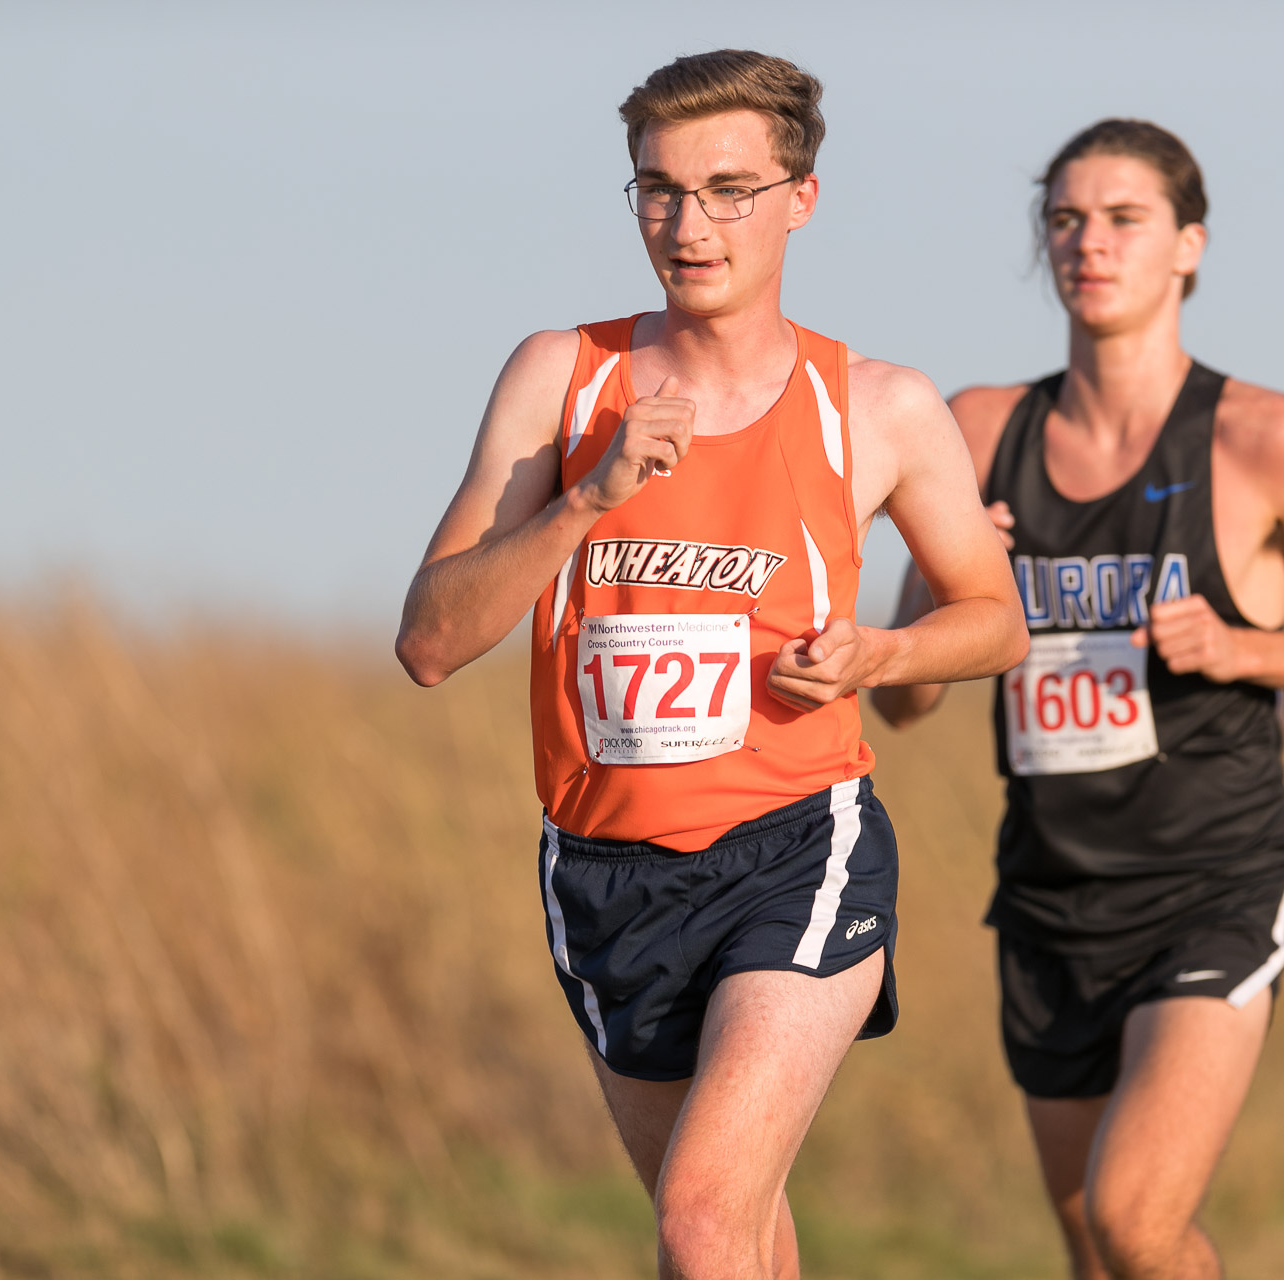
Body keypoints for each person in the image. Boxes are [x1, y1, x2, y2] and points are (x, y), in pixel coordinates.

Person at [396, 50, 1026, 1280]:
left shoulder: (881, 406)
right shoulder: (560, 377)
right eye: (659, 190)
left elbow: (991, 615)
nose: (689, 225)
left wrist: (880, 651)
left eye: (729, 189)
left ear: (802, 196)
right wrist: (589, 499)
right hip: (605, 871)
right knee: (737, 1234)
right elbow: (429, 641)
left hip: (798, 843)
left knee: (698, 1215)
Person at [872, 119, 1284, 1280]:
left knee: (1136, 1216)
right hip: (1048, 894)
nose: (1091, 243)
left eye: (1125, 218)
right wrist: (941, 580)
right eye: (1066, 220)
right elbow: (905, 708)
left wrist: (1240, 646)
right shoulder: (978, 430)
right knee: (1090, 1246)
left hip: (1211, 885)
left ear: (1189, 245)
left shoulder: (1270, 436)